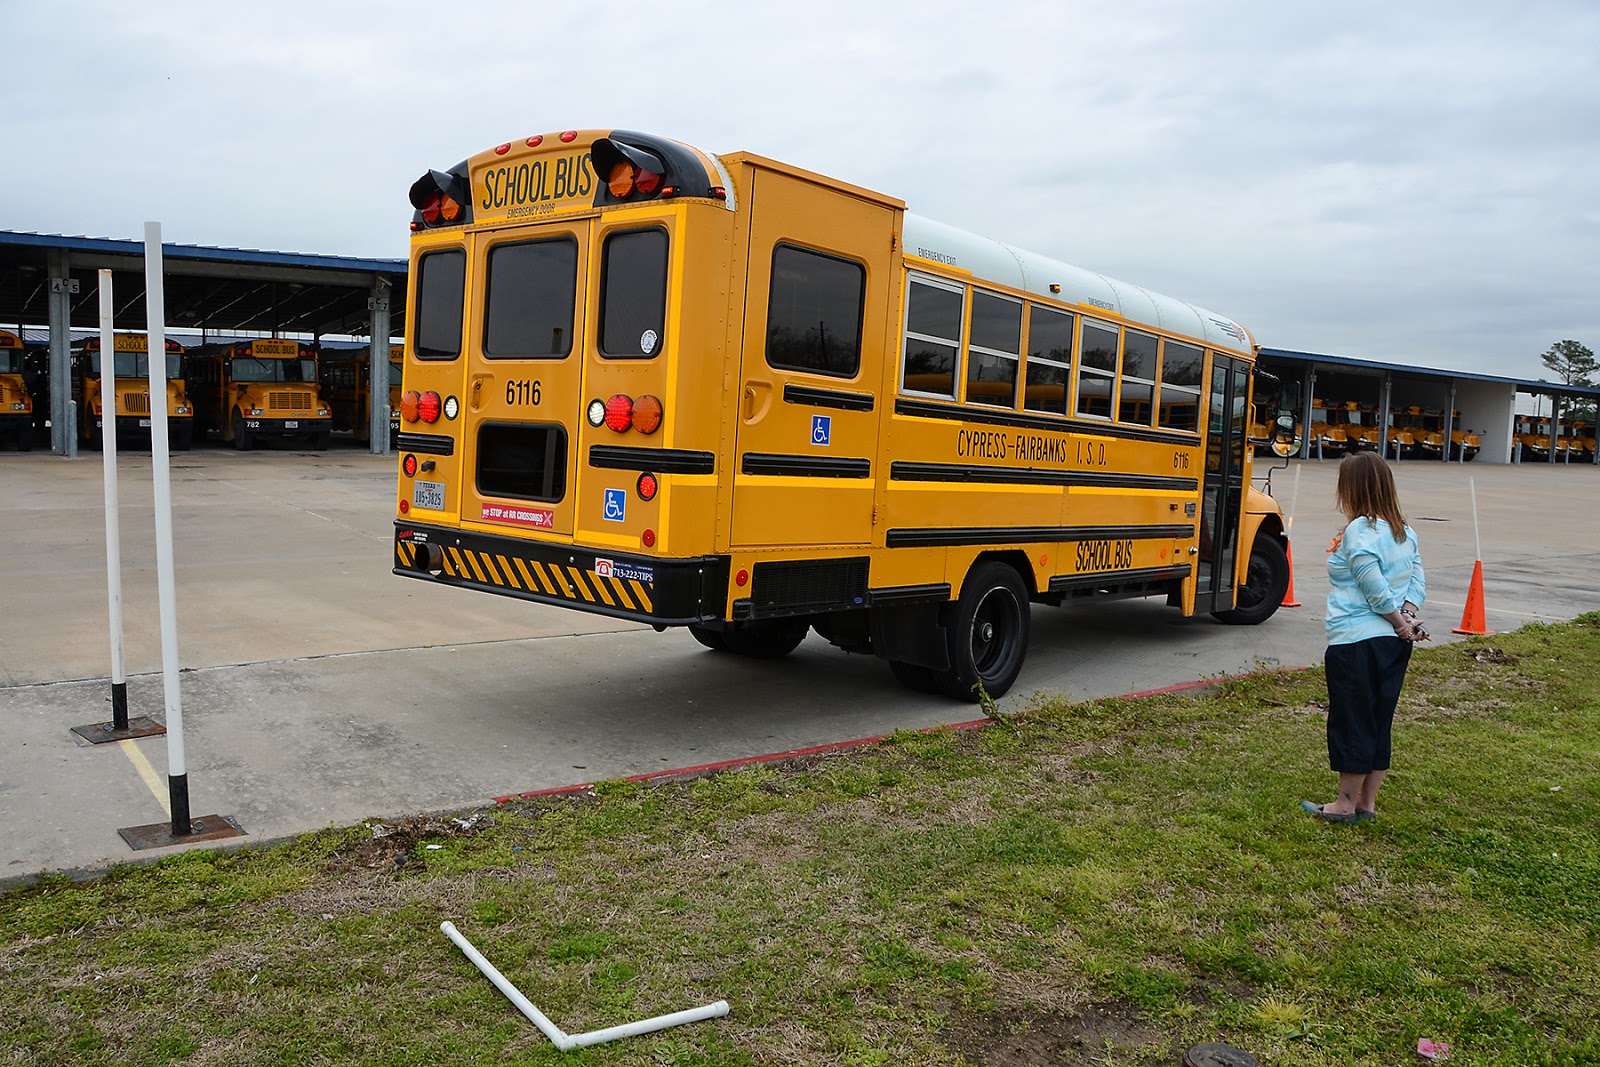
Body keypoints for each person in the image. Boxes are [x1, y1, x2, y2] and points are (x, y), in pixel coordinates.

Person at [1302, 451, 1427, 824]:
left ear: (1352, 488)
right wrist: (1405, 618)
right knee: (1378, 717)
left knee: (1352, 716)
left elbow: (1372, 587)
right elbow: (1416, 581)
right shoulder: (1404, 531)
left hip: (1355, 638)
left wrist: (1396, 619)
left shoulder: (1360, 529)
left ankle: (1343, 803)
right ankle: (1366, 803)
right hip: (1392, 643)